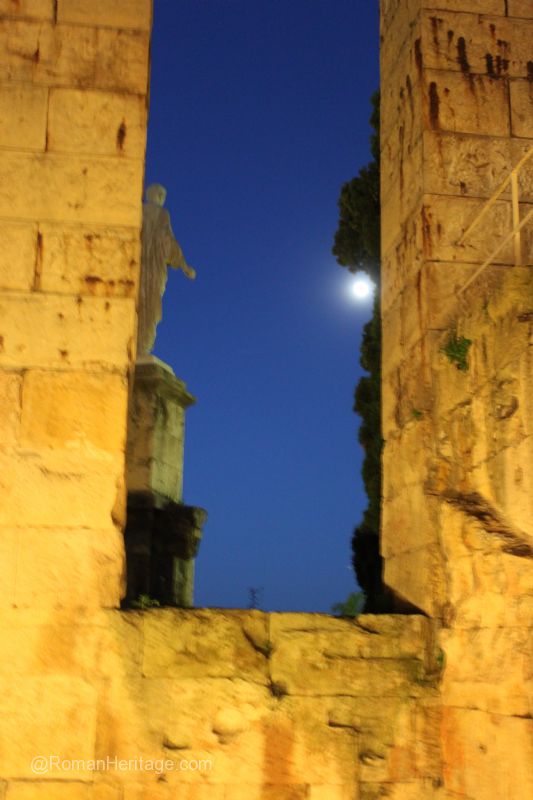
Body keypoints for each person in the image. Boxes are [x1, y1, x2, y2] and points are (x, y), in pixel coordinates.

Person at [137, 183, 196, 355]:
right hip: (152, 267)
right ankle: (143, 345)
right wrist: (184, 266)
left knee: (142, 304)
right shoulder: (161, 214)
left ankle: (140, 345)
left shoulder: (137, 211)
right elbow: (168, 241)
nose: (162, 199)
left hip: (140, 266)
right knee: (150, 305)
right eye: (161, 195)